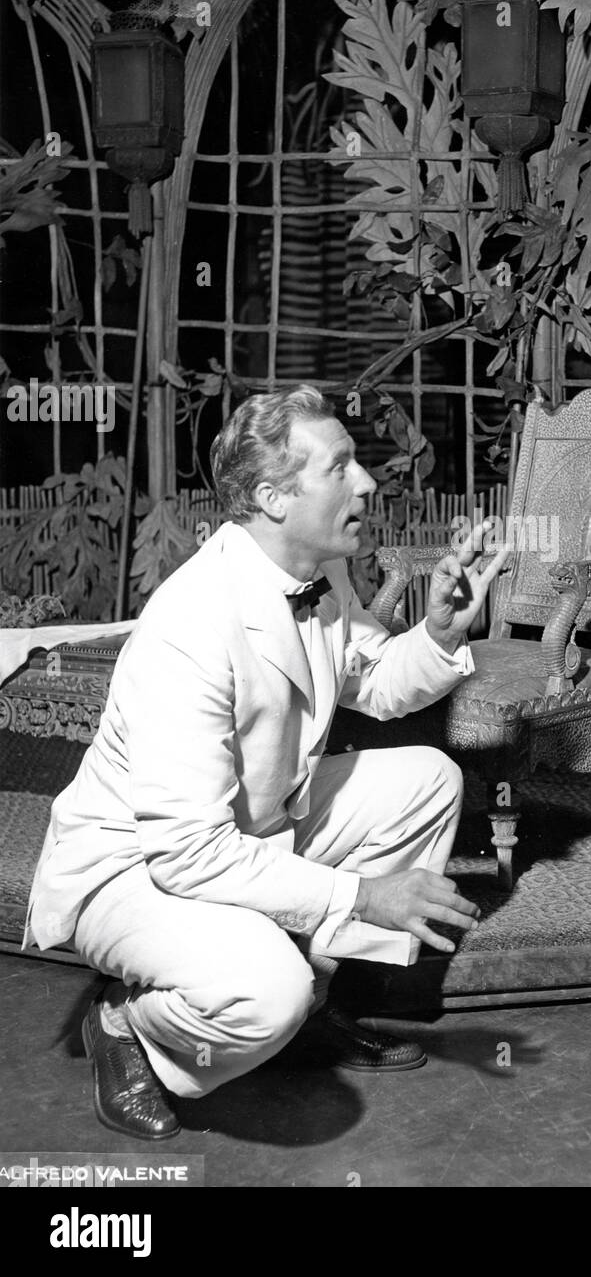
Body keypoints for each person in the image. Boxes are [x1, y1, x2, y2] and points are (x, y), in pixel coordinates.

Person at [23, 385, 510, 1140]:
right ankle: (131, 1026)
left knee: (428, 782)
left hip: (249, 831)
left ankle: (310, 1010)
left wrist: (439, 633)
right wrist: (359, 895)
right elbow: (185, 855)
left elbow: (373, 682)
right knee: (263, 993)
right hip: (136, 868)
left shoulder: (319, 572)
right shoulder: (191, 625)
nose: (368, 483)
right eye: (341, 467)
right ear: (271, 497)